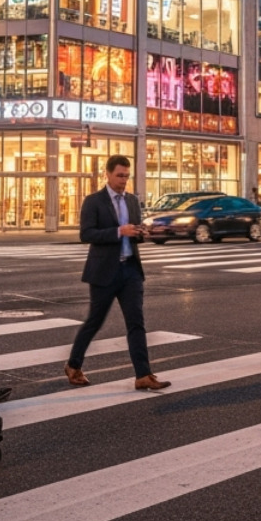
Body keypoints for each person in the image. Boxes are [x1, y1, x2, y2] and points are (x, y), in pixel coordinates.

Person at [65, 155, 171, 391]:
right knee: (95, 321)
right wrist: (118, 231)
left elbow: (134, 230)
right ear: (108, 174)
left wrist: (142, 232)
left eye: (126, 176)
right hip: (104, 271)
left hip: (130, 270)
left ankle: (143, 375)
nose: (123, 180)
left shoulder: (132, 201)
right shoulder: (94, 201)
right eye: (119, 175)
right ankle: (73, 365)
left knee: (136, 322)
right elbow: (87, 234)